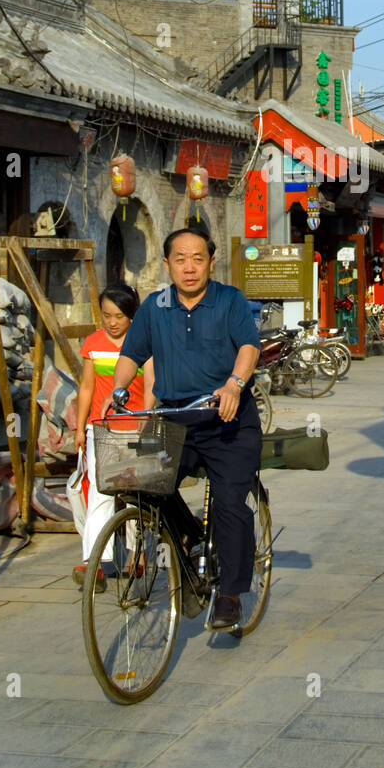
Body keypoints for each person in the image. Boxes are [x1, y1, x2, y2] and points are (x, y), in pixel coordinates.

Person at [109, 227, 262, 630]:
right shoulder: (155, 307)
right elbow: (131, 353)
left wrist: (234, 384)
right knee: (144, 486)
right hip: (176, 419)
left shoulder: (229, 300)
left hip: (228, 420)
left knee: (229, 505)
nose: (189, 267)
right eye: (180, 259)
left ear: (211, 262)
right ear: (167, 265)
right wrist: (119, 390)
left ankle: (230, 594)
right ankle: (190, 534)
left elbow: (249, 346)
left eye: (198, 258)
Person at [67, 283, 154, 589]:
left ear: (132, 315)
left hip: (135, 428)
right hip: (101, 428)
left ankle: (137, 557)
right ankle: (94, 563)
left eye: (119, 315)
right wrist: (80, 428)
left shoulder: (144, 343)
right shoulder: (92, 343)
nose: (112, 322)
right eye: (106, 315)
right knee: (101, 496)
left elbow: (152, 386)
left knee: (134, 495)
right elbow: (87, 388)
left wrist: (146, 419)